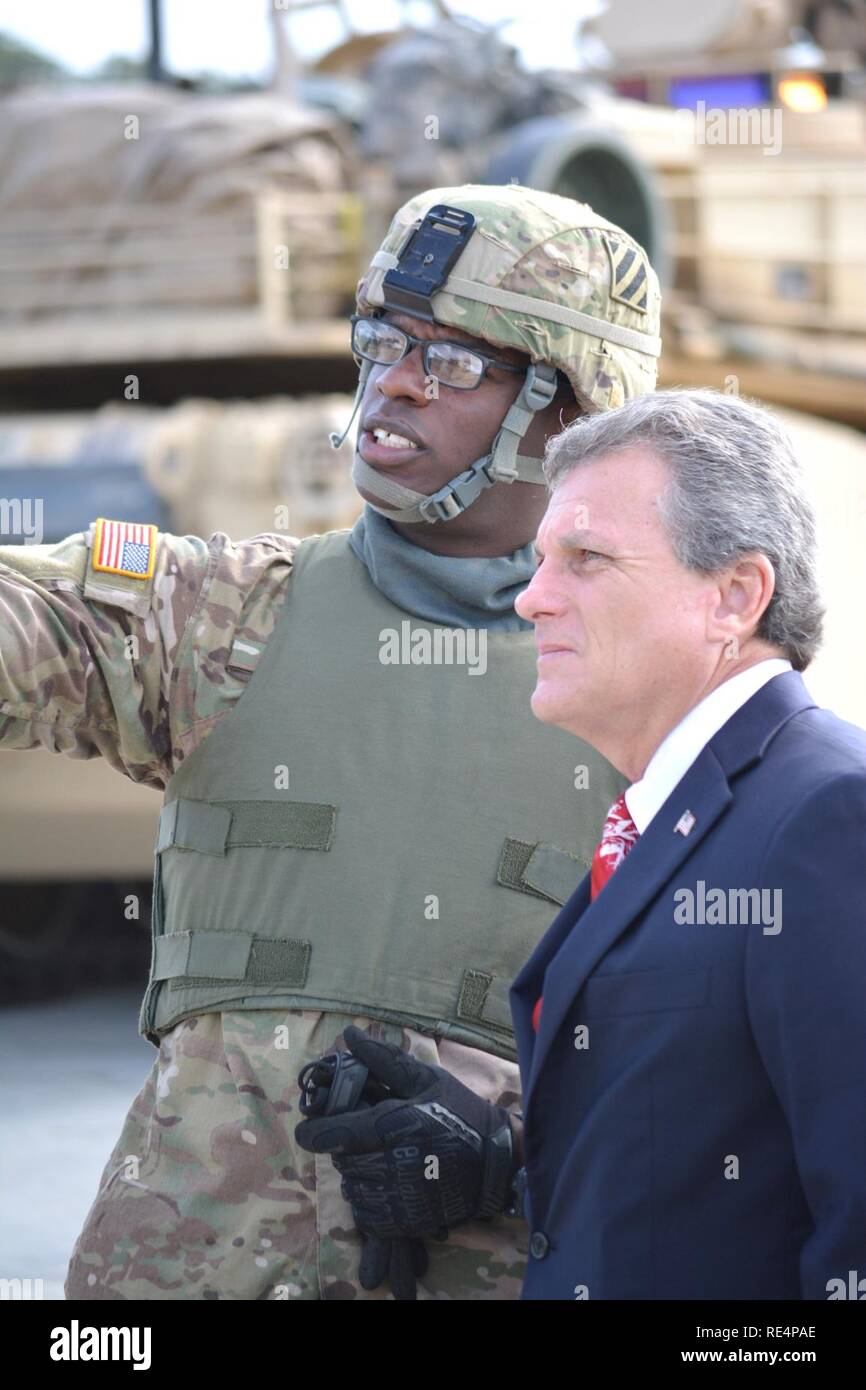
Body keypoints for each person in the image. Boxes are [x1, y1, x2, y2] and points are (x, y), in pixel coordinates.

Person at [0, 183, 662, 1299]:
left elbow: (752, 1088)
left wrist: (508, 1160)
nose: (393, 381)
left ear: (568, 409)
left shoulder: (669, 697)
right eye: (381, 340)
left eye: (451, 363)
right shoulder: (223, 614)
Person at [297, 388, 866, 1300]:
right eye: (540, 559)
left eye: (587, 560)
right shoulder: (677, 814)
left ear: (735, 596)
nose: (532, 597)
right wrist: (501, 1160)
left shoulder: (830, 816)